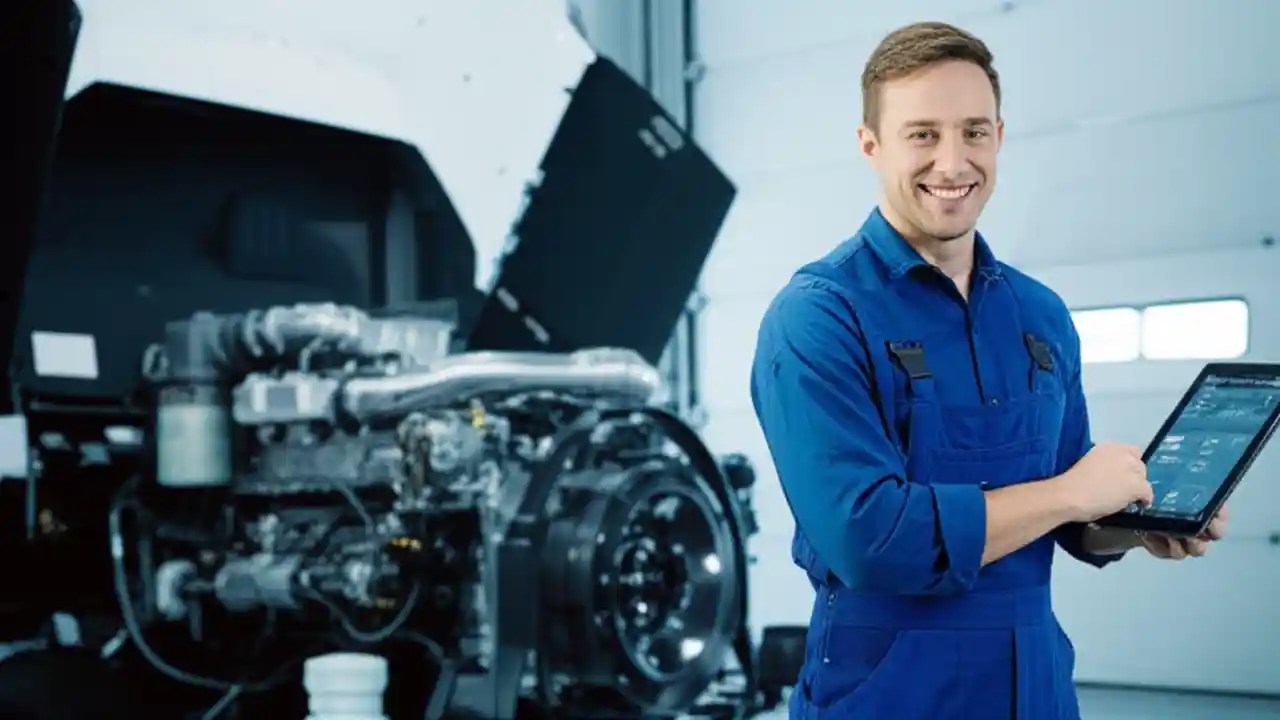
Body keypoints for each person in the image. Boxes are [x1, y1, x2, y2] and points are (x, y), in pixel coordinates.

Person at [748, 20, 1230, 720]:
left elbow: (1070, 512)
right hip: (886, 697)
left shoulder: (1041, 316)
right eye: (922, 134)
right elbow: (871, 537)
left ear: (1000, 137)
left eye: (974, 132)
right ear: (870, 146)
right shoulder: (818, 318)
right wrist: (1071, 493)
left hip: (1033, 690)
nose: (952, 162)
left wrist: (1132, 521)